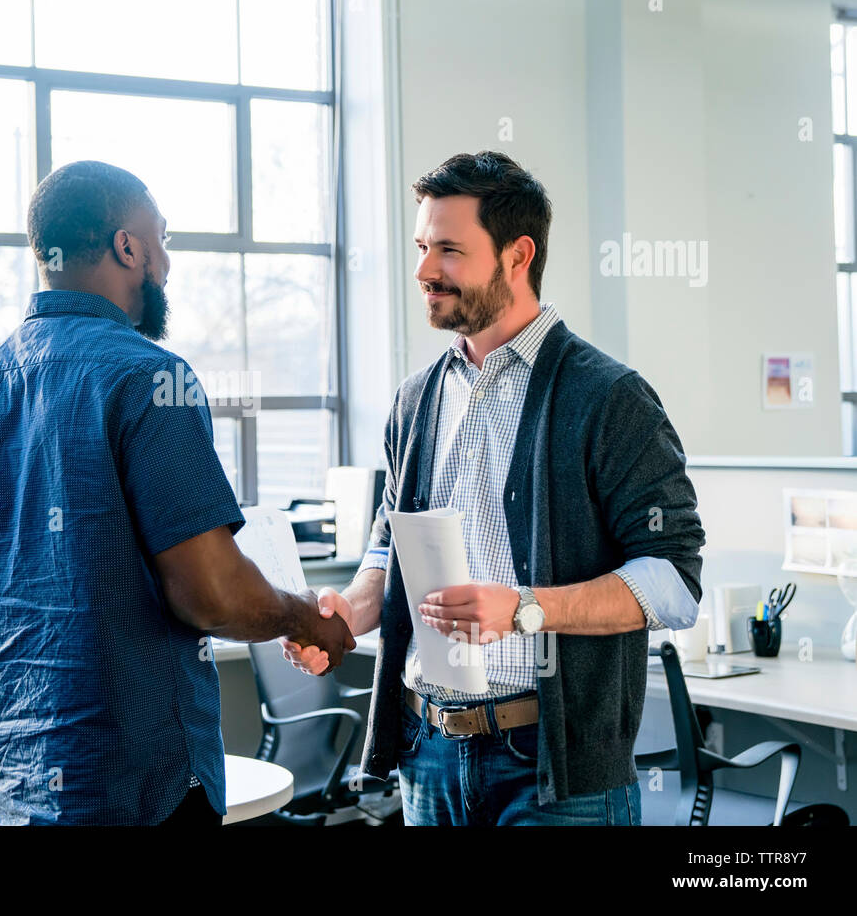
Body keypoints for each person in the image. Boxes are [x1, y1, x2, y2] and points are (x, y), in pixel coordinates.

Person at [0, 160, 354, 826]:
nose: (166, 264)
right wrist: (302, 618)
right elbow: (212, 593)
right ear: (128, 246)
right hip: (143, 787)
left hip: (17, 785)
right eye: (162, 241)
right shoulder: (150, 379)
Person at [284, 151, 705, 825]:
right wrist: (351, 610)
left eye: (449, 249)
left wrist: (525, 609)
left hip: (554, 770)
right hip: (428, 758)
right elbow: (388, 547)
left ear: (517, 255)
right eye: (423, 246)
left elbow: (675, 584)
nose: (423, 269)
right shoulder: (414, 400)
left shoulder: (609, 399)